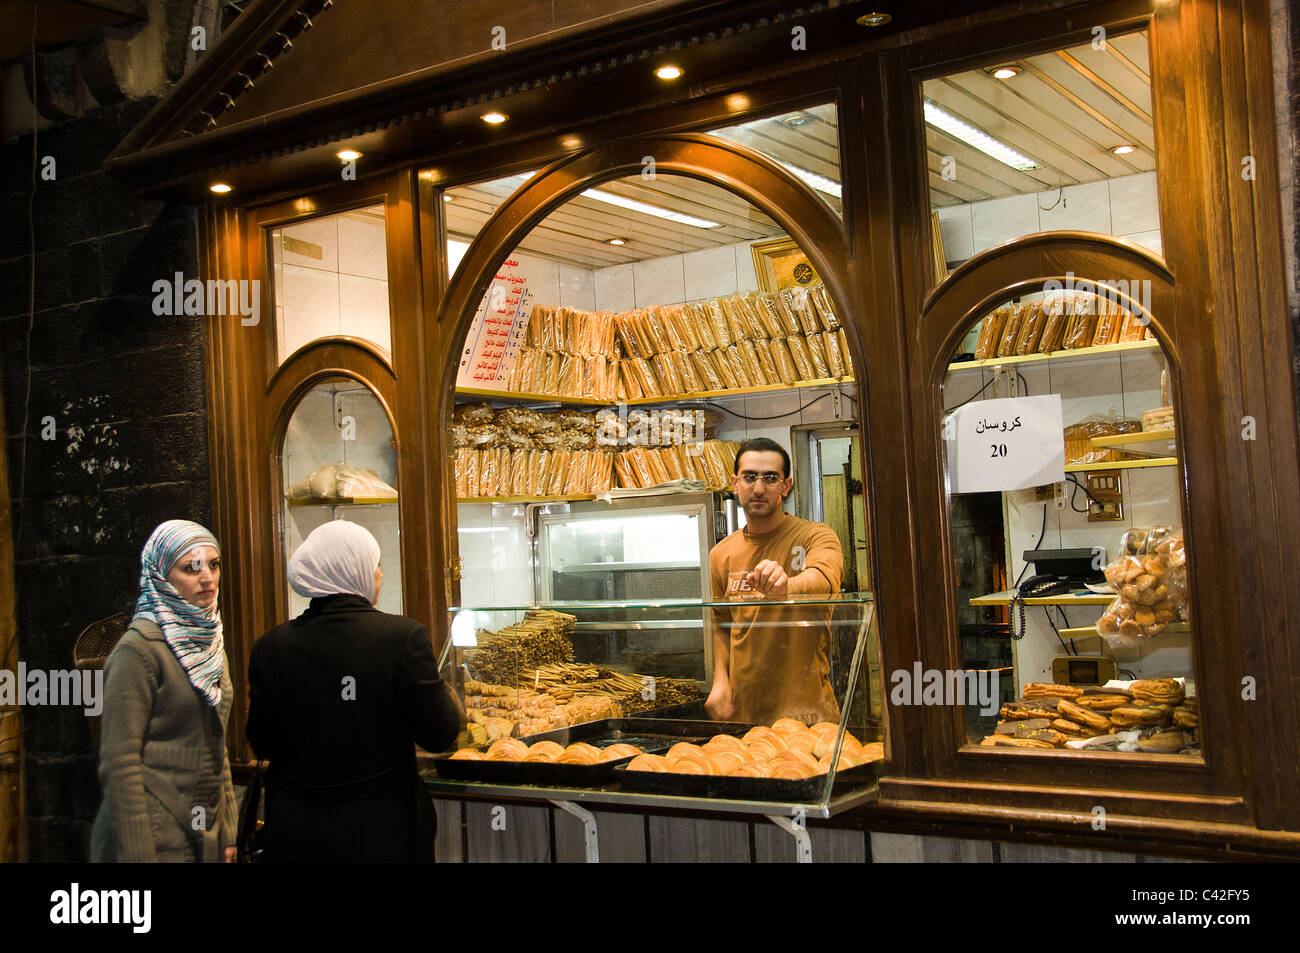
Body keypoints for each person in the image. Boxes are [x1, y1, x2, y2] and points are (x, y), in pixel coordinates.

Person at [246, 520, 460, 862]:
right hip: (381, 833)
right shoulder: (402, 637)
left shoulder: (270, 647)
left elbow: (263, 741)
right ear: (352, 570)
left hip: (297, 833)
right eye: (374, 565)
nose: (379, 575)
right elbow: (440, 734)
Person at [91, 519, 238, 862]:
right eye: (191, 568)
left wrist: (228, 830)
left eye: (214, 564)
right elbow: (119, 762)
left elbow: (217, 744)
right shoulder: (139, 650)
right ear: (161, 576)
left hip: (203, 827)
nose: (208, 577)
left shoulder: (207, 642)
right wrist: (139, 853)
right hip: (154, 831)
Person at [705, 437, 844, 726]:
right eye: (750, 476)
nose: (758, 487)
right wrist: (720, 679)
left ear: (786, 485)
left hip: (807, 717)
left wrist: (787, 587)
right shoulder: (721, 554)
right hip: (744, 719)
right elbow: (721, 624)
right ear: (735, 482)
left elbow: (824, 578)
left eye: (770, 478)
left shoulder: (816, 536)